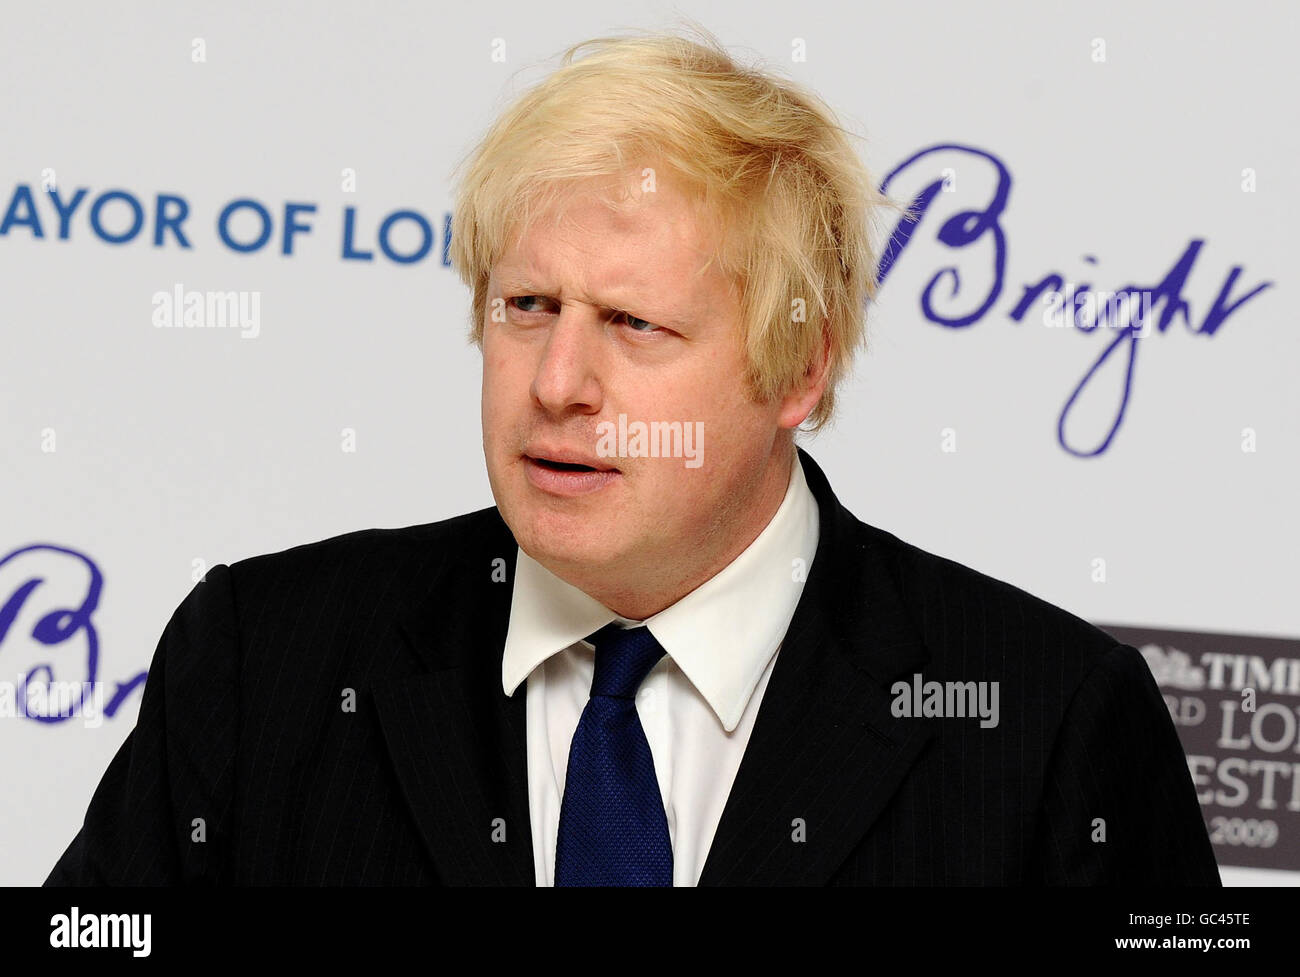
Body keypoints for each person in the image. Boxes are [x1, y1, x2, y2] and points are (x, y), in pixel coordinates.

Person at [45, 29, 1219, 886]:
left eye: (633, 324)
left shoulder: (1048, 721)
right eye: (527, 306)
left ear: (797, 367)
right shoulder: (267, 657)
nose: (557, 383)